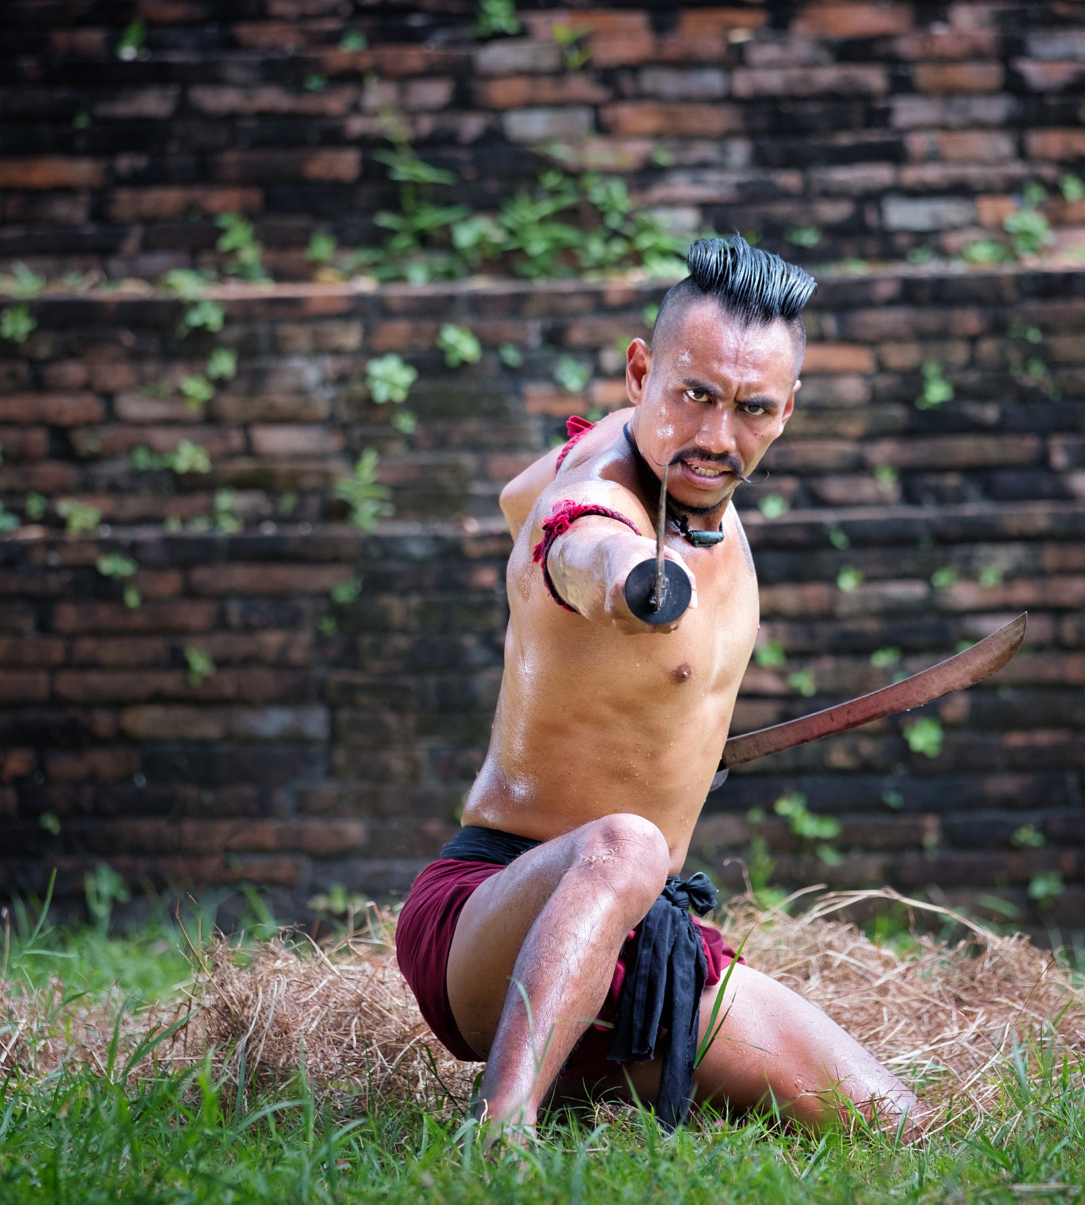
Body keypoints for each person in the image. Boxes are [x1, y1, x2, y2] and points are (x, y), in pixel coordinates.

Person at [393, 234, 923, 1139]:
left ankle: (580, 1073)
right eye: (694, 394)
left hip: (638, 942)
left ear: (787, 408)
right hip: (490, 914)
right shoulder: (607, 499)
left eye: (750, 407)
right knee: (630, 845)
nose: (717, 435)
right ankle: (497, 1136)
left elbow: (517, 498)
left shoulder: (671, 462)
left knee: (893, 1124)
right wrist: (635, 583)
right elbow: (569, 533)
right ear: (642, 370)